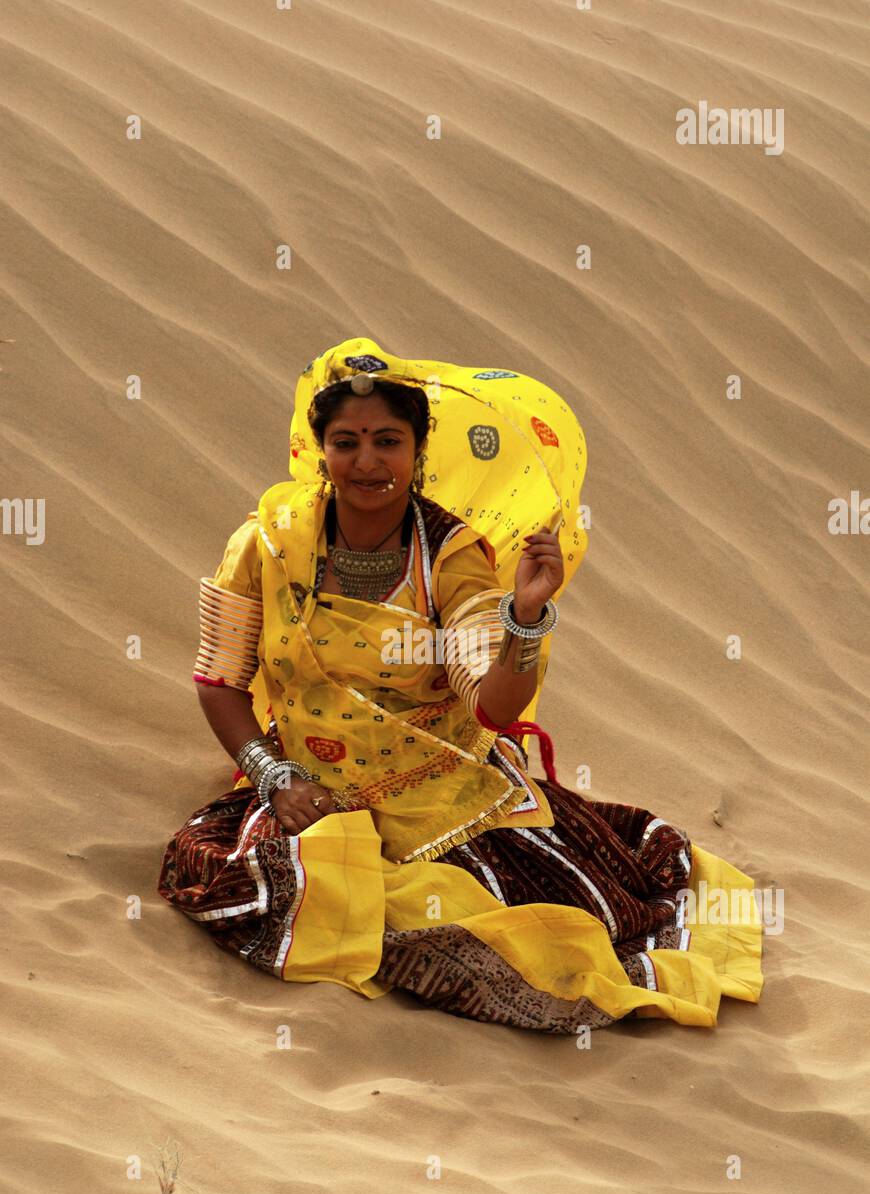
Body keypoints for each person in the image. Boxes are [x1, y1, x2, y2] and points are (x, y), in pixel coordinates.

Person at [158, 340, 764, 1033]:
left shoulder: (450, 557)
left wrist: (526, 616)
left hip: (444, 796)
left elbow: (495, 705)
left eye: (388, 441)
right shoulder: (267, 542)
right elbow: (219, 680)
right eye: (346, 441)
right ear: (318, 448)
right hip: (308, 789)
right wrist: (275, 778)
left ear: (418, 453)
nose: (366, 462)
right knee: (244, 887)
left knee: (555, 936)